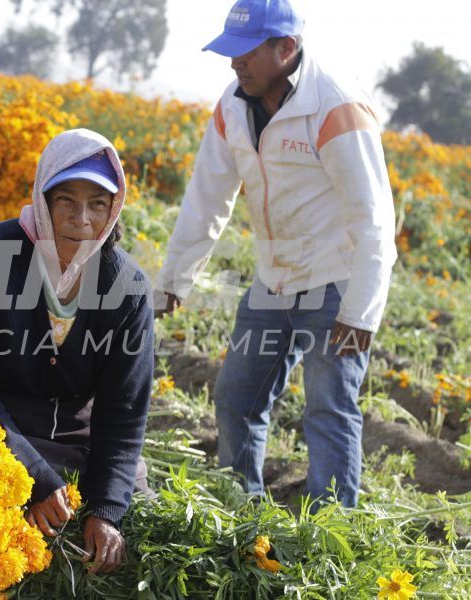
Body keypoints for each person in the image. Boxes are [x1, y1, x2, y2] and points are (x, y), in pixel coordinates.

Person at [156, 0, 397, 508]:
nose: (234, 63)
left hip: (334, 285)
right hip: (273, 282)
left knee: (328, 411)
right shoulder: (232, 106)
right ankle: (241, 514)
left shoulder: (335, 106)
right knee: (236, 400)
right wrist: (174, 280)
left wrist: (360, 312)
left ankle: (328, 537)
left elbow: (373, 218)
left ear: (285, 49)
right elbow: (208, 198)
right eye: (230, 53)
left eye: (245, 53)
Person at [0, 128, 154, 574]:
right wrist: (34, 477)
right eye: (66, 201)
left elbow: (123, 410)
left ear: (114, 208)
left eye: (98, 203)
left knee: (129, 497)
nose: (82, 218)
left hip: (77, 435)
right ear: (43, 199)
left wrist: (105, 512)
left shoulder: (127, 287)